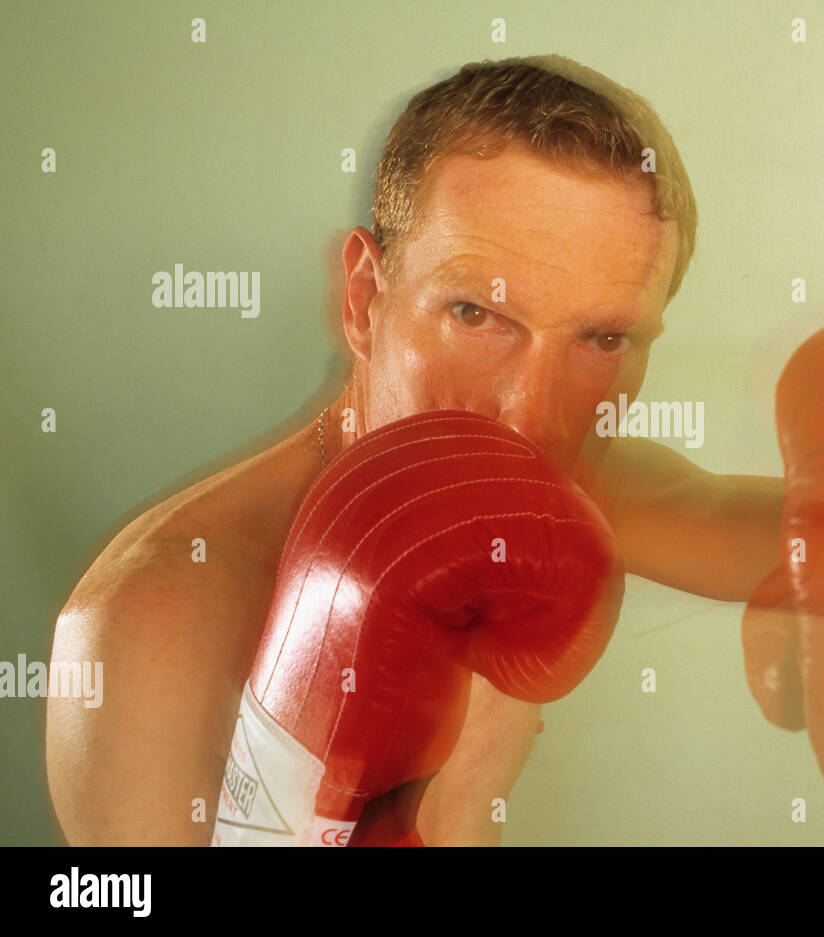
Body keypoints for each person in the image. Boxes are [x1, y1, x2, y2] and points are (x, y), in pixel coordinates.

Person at [46, 54, 785, 846]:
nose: (530, 414)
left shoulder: (574, 494)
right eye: (475, 313)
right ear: (365, 298)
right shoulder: (155, 622)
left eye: (603, 338)